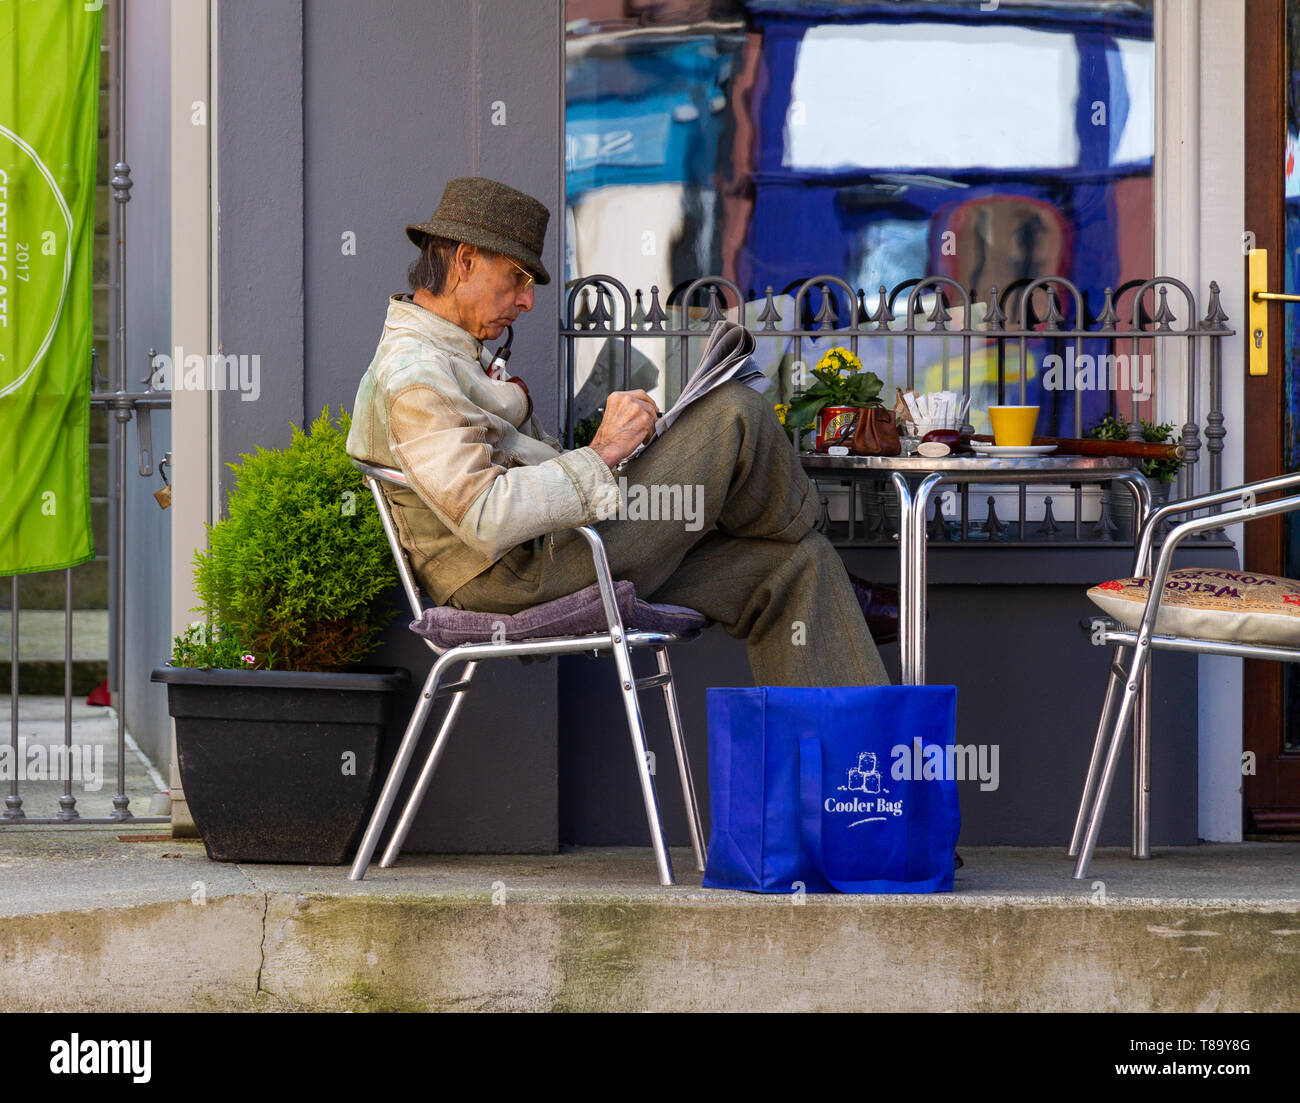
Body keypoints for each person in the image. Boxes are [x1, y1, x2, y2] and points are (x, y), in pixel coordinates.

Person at [346, 176, 889, 687]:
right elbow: (486, 518)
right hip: (514, 580)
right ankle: (798, 521)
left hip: (559, 551)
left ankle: (842, 781)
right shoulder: (416, 376)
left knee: (796, 566)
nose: (528, 300)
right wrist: (604, 451)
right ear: (465, 261)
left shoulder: (454, 357)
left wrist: (623, 454)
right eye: (518, 277)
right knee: (734, 413)